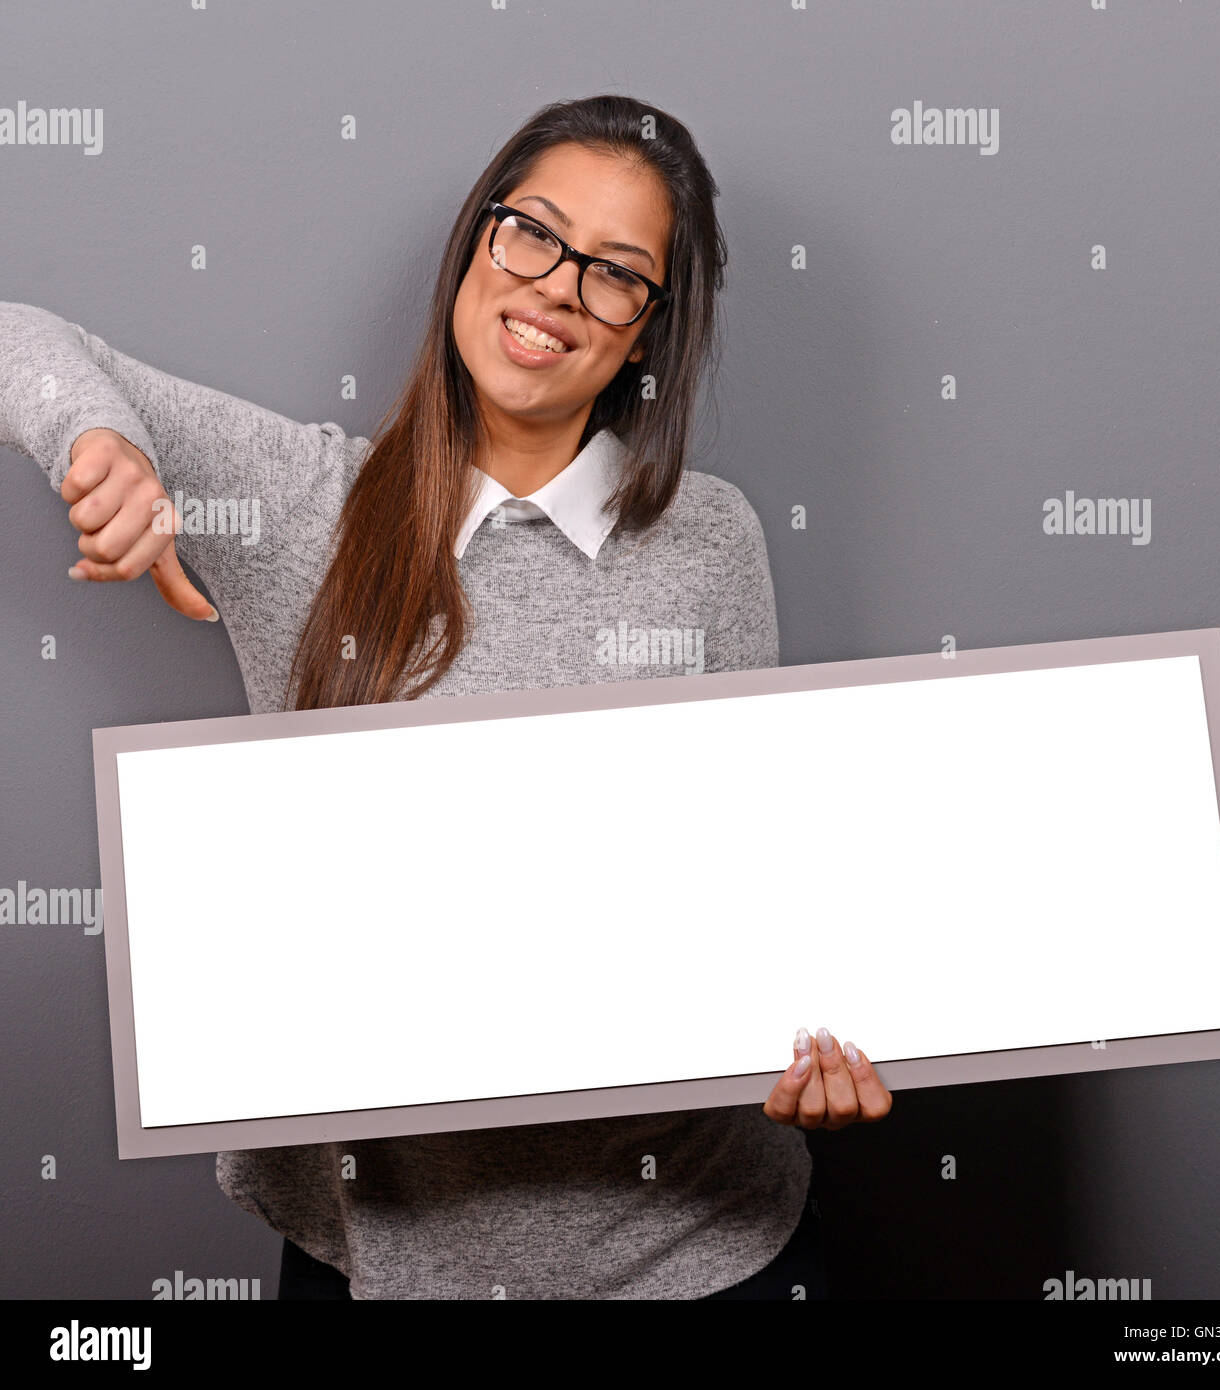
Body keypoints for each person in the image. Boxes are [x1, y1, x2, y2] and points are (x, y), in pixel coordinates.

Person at [0, 93, 891, 1300]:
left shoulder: (711, 541)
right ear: (477, 242)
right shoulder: (304, 506)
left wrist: (813, 1045)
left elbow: (760, 878)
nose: (560, 289)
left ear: (647, 333)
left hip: (692, 1251)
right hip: (375, 1260)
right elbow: (22, 334)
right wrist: (99, 442)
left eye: (617, 274)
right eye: (533, 232)